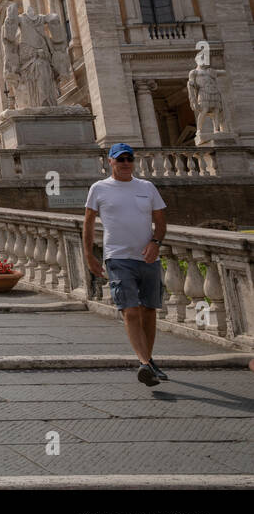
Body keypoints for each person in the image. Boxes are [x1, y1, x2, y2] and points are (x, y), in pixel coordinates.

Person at [83, 143, 169, 387]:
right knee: (130, 310)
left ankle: (148, 361)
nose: (125, 163)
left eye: (129, 159)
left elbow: (161, 222)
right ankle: (144, 362)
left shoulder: (147, 187)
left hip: (148, 258)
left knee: (149, 310)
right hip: (118, 257)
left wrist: (156, 242)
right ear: (110, 161)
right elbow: (88, 224)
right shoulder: (99, 188)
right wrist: (89, 255)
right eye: (120, 159)